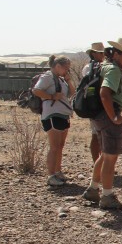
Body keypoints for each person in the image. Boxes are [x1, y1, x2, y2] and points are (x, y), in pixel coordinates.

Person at [82, 38, 122, 209]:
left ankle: (93, 189)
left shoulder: (104, 66)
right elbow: (105, 93)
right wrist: (114, 117)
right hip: (108, 116)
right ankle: (107, 196)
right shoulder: (114, 70)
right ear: (116, 54)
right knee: (110, 157)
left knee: (104, 155)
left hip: (99, 116)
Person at [33, 55, 75, 186]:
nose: (67, 71)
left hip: (63, 114)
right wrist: (51, 96)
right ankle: (51, 175)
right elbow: (36, 90)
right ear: (57, 66)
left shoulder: (61, 79)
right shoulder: (47, 77)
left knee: (60, 146)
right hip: (52, 115)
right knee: (54, 147)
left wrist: (68, 80)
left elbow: (72, 92)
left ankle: (57, 171)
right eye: (66, 68)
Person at [82, 42, 105, 162]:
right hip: (95, 105)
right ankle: (97, 162)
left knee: (100, 134)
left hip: (99, 104)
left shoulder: (99, 66)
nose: (102, 55)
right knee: (96, 134)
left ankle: (100, 163)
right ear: (93, 53)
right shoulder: (89, 68)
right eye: (100, 53)